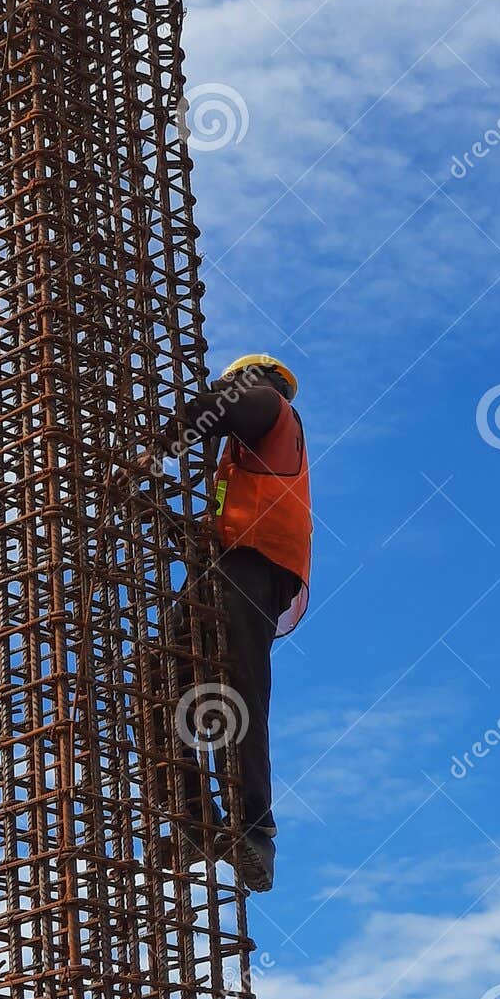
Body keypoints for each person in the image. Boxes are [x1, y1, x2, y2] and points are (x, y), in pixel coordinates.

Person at [132, 354, 311, 893]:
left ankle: (255, 828)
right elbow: (214, 530)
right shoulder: (243, 459)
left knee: (238, 687)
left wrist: (156, 452)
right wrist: (157, 509)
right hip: (226, 568)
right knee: (159, 679)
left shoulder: (270, 407)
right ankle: (193, 816)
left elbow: (218, 408)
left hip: (255, 566)